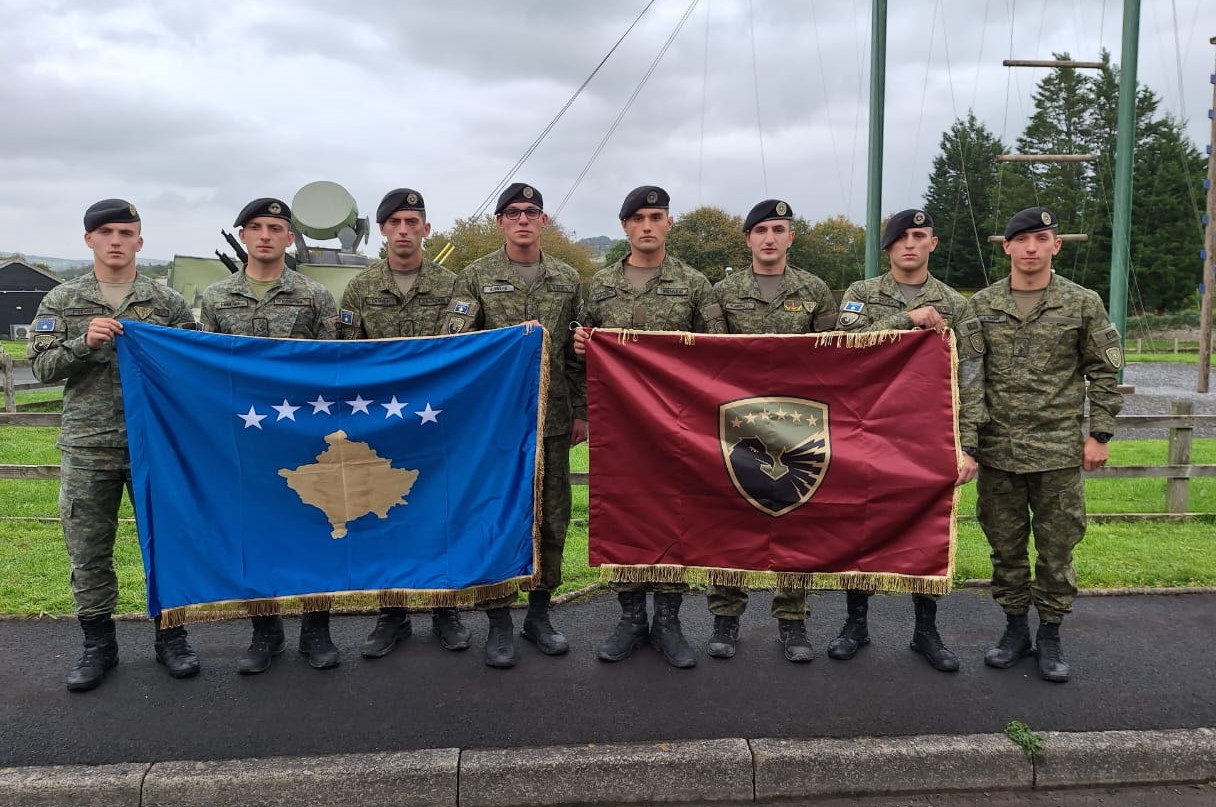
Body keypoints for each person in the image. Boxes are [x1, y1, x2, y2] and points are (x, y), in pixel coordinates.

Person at [28, 199, 200, 691]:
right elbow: (40, 368)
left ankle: (173, 639)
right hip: (89, 444)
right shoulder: (63, 300)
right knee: (88, 550)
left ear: (140, 242)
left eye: (127, 232)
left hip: (156, 443)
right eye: (106, 233)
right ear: (89, 241)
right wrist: (85, 341)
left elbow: (191, 363)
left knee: (165, 544)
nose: (117, 241)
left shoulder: (164, 303)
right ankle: (98, 646)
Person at [573, 185, 727, 669]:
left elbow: (721, 350)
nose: (646, 225)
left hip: (679, 427)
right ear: (624, 226)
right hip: (619, 428)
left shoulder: (695, 284)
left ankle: (668, 620)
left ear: (668, 224)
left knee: (674, 515)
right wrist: (582, 346)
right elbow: (577, 357)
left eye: (656, 216)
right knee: (621, 513)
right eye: (637, 217)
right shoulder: (598, 286)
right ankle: (630, 617)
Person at [829, 208, 987, 673]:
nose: (911, 245)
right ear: (889, 247)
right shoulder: (862, 293)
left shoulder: (957, 305)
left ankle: (926, 631)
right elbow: (843, 347)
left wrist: (969, 445)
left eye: (920, 236)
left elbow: (972, 377)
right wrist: (907, 319)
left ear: (933, 243)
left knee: (926, 529)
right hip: (865, 430)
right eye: (901, 238)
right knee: (859, 526)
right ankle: (855, 624)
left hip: (927, 436)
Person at [970, 207, 1123, 683]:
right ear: (1007, 247)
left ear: (1057, 245)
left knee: (1057, 550)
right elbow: (970, 378)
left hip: (1058, 450)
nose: (1032, 247)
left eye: (1042, 238)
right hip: (999, 450)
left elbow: (1104, 371)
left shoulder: (1081, 303)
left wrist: (1098, 434)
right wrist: (968, 443)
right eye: (1023, 239)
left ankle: (1051, 633)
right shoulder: (983, 305)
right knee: (1006, 548)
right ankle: (1015, 630)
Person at [445, 182, 587, 668]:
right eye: (513, 212)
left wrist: (582, 412)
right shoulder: (474, 277)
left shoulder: (568, 279)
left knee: (552, 518)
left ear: (544, 221)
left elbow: (576, 355)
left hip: (553, 421)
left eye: (531, 212)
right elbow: (457, 349)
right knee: (496, 517)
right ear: (500, 222)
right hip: (496, 425)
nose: (523, 219)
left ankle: (540, 616)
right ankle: (499, 620)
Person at [199, 197, 340, 674]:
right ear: (243, 237)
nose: (265, 235)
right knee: (255, 530)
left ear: (289, 237)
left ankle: (316, 629)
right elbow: (202, 366)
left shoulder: (315, 296)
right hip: (244, 439)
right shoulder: (216, 298)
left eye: (275, 227)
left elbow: (332, 366)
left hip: (304, 436)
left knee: (314, 525)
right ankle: (265, 633)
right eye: (255, 227)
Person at [337, 187, 472, 659]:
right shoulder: (359, 289)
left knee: (440, 513)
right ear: (382, 231)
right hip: (381, 429)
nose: (403, 231)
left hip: (437, 424)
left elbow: (462, 355)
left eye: (412, 222)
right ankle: (390, 615)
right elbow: (348, 358)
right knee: (382, 514)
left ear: (426, 230)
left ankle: (444, 609)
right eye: (394, 223)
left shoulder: (454, 287)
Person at [706, 198, 838, 663]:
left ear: (790, 237)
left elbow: (834, 353)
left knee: (796, 519)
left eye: (779, 230)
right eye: (761, 230)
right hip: (736, 422)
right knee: (730, 516)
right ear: (748, 238)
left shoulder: (815, 289)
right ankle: (725, 617)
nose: (770, 238)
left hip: (797, 423)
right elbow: (703, 356)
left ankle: (793, 621)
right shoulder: (722, 292)